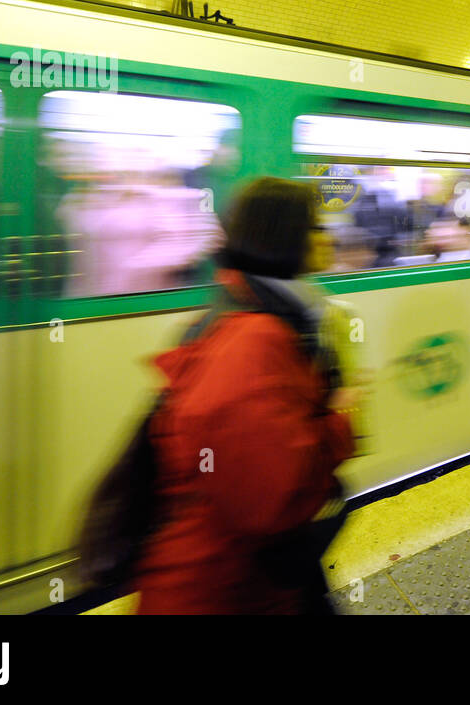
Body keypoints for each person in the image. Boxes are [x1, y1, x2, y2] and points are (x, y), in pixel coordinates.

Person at [134, 178, 357, 614]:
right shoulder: (255, 336)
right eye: (316, 227)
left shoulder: (273, 313)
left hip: (253, 577)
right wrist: (341, 419)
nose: (327, 238)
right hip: (217, 587)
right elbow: (270, 499)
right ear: (285, 237)